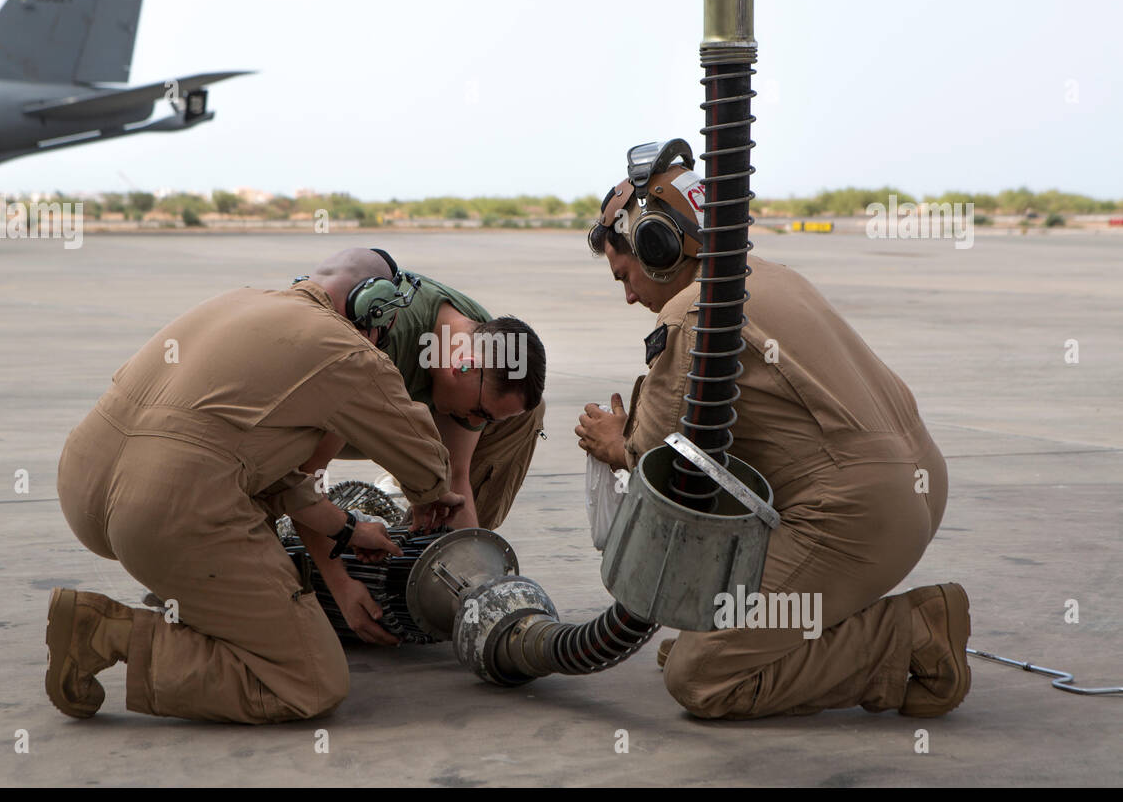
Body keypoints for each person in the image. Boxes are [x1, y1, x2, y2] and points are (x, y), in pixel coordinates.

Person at [575, 152, 971, 719]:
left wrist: (611, 439)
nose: (630, 295)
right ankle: (758, 643)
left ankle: (911, 634)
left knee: (701, 679)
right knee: (714, 638)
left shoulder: (692, 313)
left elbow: (662, 461)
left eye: (625, 275)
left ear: (658, 247)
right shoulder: (772, 276)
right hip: (915, 487)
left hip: (852, 515)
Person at [47, 248, 464, 724]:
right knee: (309, 683)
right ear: (373, 307)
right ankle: (105, 633)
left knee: (231, 480)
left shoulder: (239, 302)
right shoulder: (345, 350)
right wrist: (432, 495)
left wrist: (348, 529)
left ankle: (209, 605)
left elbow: (265, 471)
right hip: (166, 516)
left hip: (83, 487)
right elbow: (420, 449)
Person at [299, 250, 547, 533]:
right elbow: (309, 473)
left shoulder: (484, 337)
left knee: (525, 412)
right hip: (313, 413)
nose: (477, 424)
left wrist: (472, 560)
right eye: (480, 413)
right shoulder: (378, 340)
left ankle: (428, 547)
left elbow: (456, 474)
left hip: (393, 419)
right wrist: (340, 553)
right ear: (464, 367)